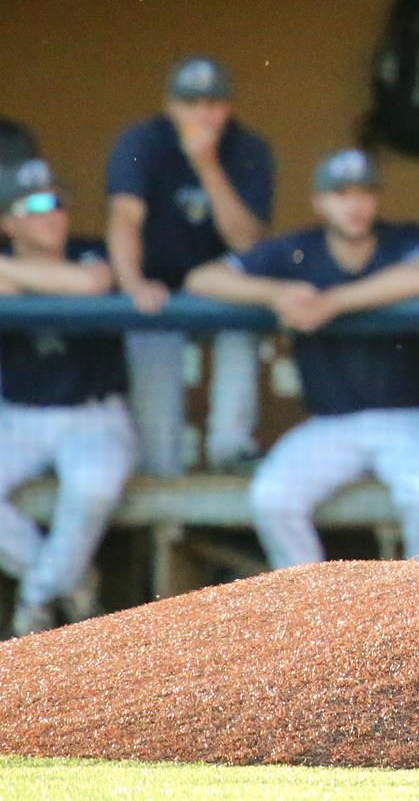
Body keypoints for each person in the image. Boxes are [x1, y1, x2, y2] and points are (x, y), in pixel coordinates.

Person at [185, 150, 419, 569]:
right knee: (273, 497)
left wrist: (333, 303)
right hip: (333, 424)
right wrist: (274, 293)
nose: (354, 205)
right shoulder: (298, 252)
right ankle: (310, 610)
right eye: (341, 194)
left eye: (364, 193)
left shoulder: (404, 238)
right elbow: (201, 279)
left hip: (410, 415)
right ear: (319, 202)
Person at [106, 56, 274, 476]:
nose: (202, 112)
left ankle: (230, 448)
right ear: (170, 105)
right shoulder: (142, 141)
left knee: (241, 322)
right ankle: (157, 468)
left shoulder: (249, 148)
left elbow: (247, 241)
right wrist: (132, 283)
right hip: (158, 282)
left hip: (222, 287)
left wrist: (207, 166)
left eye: (213, 103)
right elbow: (125, 217)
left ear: (228, 106)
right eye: (190, 102)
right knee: (151, 341)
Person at [0, 158, 136, 637]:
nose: (53, 213)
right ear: (6, 222)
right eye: (35, 205)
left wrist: (14, 275)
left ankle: (37, 597)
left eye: (59, 202)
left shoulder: (90, 252)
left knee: (93, 487)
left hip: (93, 416)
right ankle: (73, 581)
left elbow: (92, 282)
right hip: (17, 417)